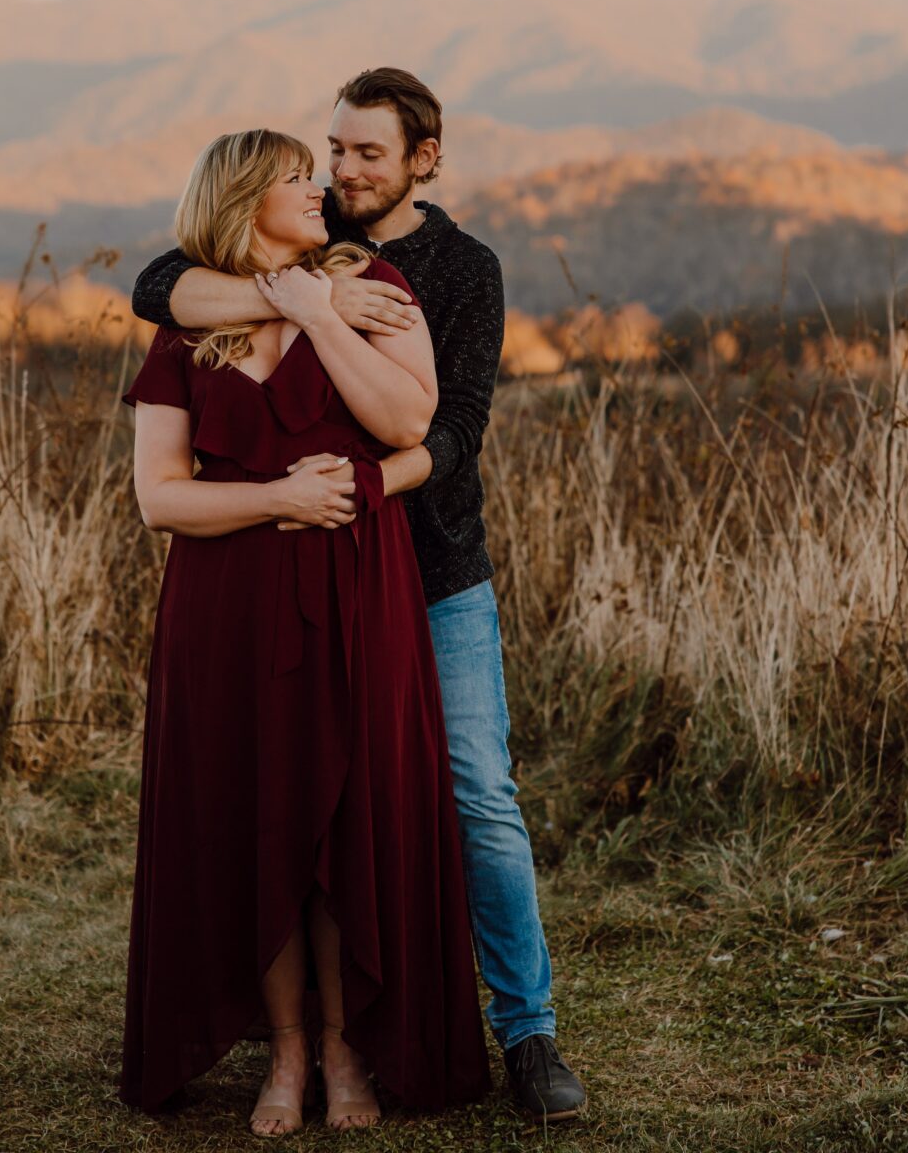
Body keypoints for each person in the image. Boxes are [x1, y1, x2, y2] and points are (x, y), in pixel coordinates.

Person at [131, 68, 588, 1124]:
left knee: (470, 798)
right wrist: (304, 293)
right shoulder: (313, 241)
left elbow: (447, 430)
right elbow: (164, 281)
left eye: (364, 154)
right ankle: (302, 1045)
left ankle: (526, 1033)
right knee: (294, 814)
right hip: (282, 579)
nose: (340, 171)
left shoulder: (459, 268)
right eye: (330, 151)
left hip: (422, 571)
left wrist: (352, 488)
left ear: (422, 157)